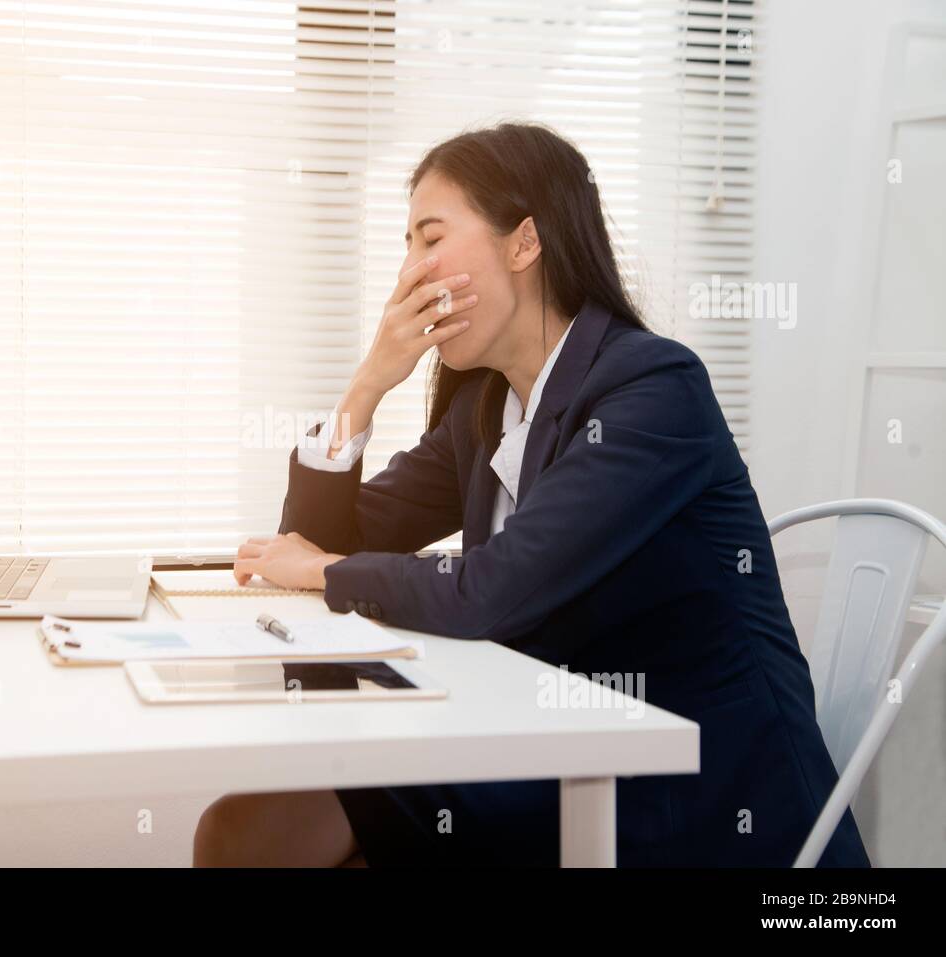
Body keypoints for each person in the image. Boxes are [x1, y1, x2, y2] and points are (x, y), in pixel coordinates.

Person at [193, 122, 869, 868]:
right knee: (244, 829)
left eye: (430, 238)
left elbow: (491, 589)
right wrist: (368, 383)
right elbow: (332, 537)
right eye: (406, 245)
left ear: (524, 243)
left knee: (264, 834)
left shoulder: (653, 387)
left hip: (688, 796)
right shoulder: (484, 408)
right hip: (551, 751)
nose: (408, 272)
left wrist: (319, 572)